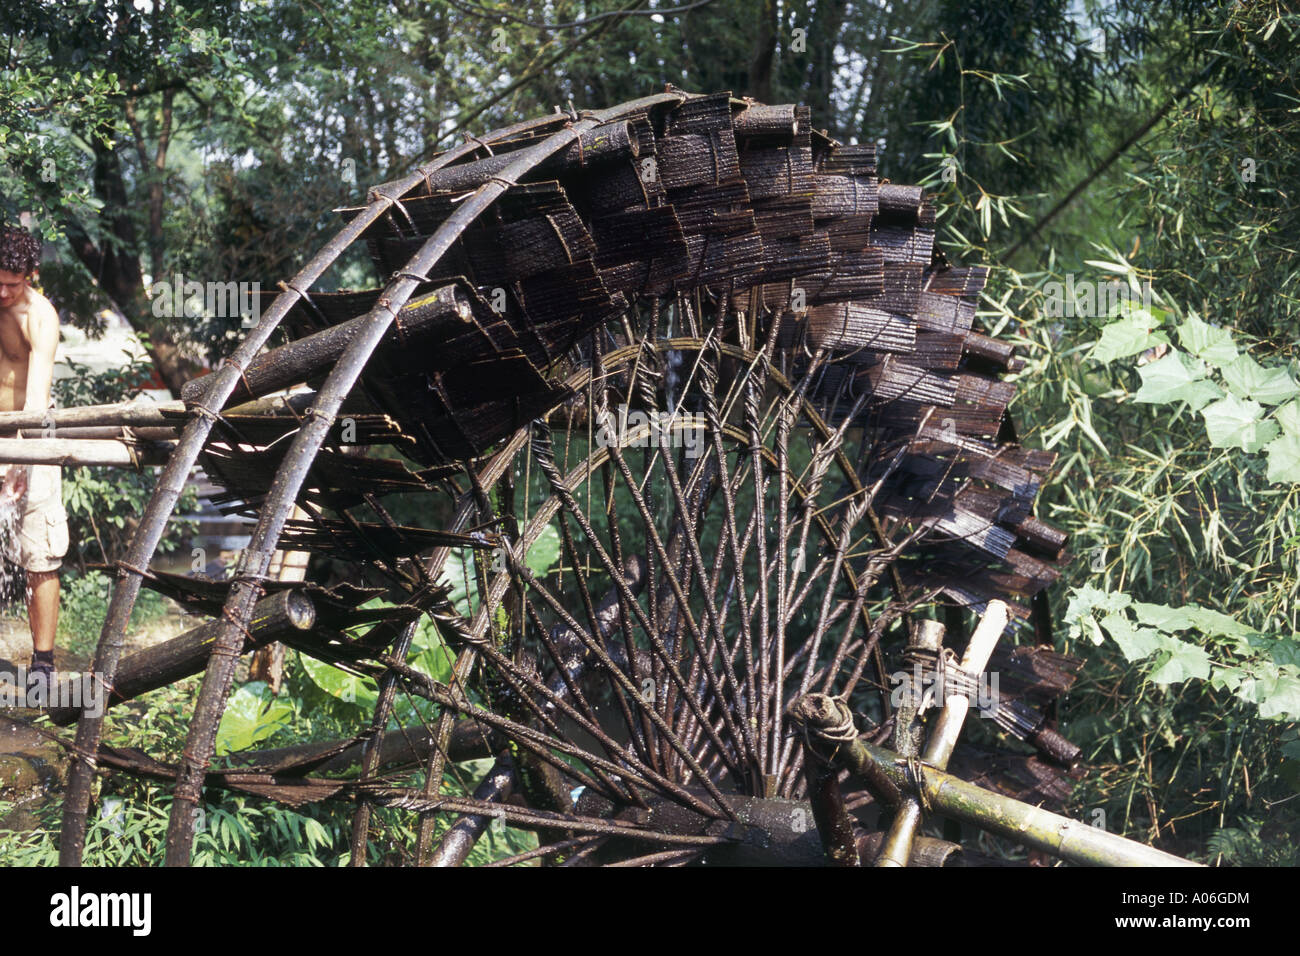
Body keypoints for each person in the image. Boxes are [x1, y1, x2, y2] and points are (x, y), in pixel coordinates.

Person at [0, 224, 68, 699]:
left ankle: (42, 666)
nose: (2, 291)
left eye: (13, 282)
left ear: (31, 275)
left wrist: (20, 460)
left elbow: (37, 398)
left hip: (32, 435)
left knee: (38, 554)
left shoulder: (39, 315)